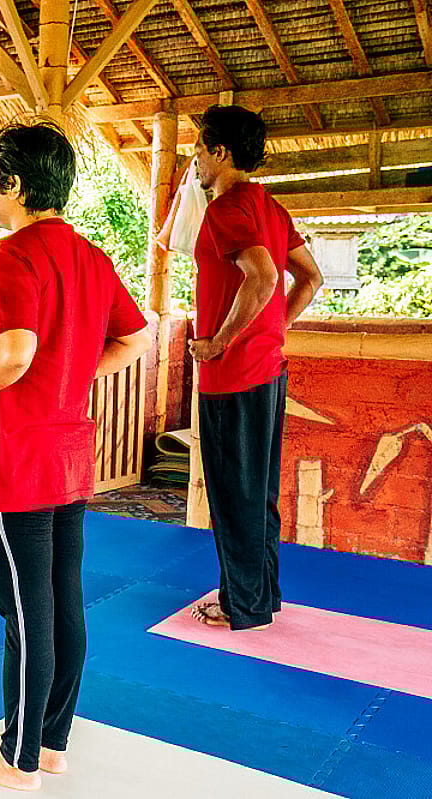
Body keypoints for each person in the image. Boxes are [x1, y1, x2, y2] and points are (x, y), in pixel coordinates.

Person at [0, 121, 151, 791]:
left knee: (25, 614)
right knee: (61, 604)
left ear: (12, 183)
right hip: (66, 456)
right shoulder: (91, 258)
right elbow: (136, 340)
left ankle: (17, 758)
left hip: (15, 460)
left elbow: (16, 349)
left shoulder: (10, 256)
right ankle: (51, 742)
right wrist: (75, 375)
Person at [187, 105, 323, 630]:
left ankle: (240, 605)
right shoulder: (270, 205)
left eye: (200, 150)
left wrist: (220, 341)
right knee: (257, 492)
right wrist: (272, 330)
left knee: (232, 493)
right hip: (267, 369)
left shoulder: (225, 208)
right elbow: (308, 279)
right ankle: (262, 597)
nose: (195, 161)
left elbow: (262, 277)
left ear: (220, 153)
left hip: (233, 377)